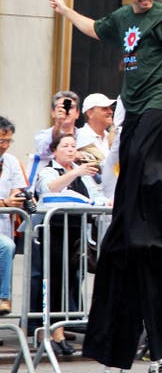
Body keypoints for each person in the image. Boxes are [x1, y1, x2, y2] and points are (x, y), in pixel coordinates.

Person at [49, 0, 162, 373]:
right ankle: (119, 360)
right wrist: (64, 10)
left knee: (147, 180)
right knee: (124, 248)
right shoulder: (124, 19)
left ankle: (144, 210)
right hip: (135, 111)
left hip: (161, 104)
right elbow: (94, 28)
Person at [35, 133, 104, 355]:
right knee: (54, 280)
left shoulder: (84, 174)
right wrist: (76, 171)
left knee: (71, 283)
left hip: (77, 232)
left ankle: (61, 329)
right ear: (55, 150)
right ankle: (53, 332)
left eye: (74, 145)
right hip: (55, 231)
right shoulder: (48, 170)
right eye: (65, 146)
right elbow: (49, 189)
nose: (71, 149)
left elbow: (97, 197)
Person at [0, 117, 27, 316]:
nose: (5, 146)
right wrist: (5, 203)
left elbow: (17, 190)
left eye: (9, 141)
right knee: (6, 246)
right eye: (1, 140)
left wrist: (15, 198)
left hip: (4, 227)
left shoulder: (11, 162)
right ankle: (3, 297)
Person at [34, 90, 81, 165]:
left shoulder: (85, 136)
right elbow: (43, 151)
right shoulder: (43, 135)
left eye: (71, 107)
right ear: (53, 113)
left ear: (77, 113)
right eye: (61, 107)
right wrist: (59, 123)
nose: (67, 111)